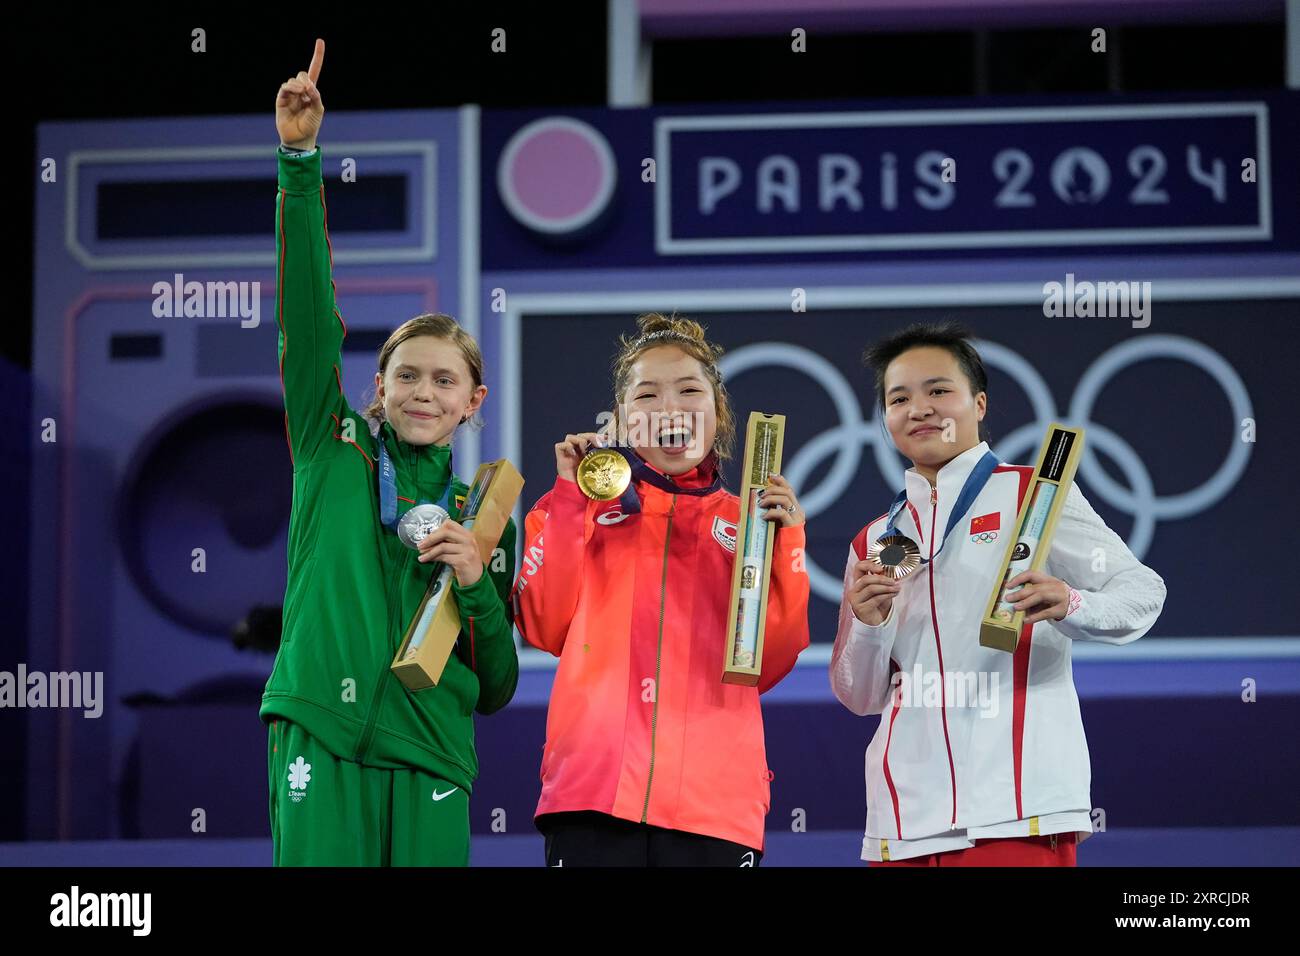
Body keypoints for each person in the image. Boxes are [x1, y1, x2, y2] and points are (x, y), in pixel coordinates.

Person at [261, 39, 518, 866]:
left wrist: (475, 581)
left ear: (473, 402)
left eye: (445, 381)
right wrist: (300, 162)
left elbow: (501, 686)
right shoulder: (328, 446)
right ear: (378, 384)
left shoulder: (487, 510)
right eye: (406, 374)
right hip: (320, 733)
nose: (422, 392)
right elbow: (306, 315)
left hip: (431, 754)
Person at [831, 321, 1166, 866]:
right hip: (903, 820)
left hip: (1016, 808)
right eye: (899, 398)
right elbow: (859, 695)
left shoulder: (1035, 494)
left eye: (939, 390)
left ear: (979, 403)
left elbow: (1142, 590)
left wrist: (1072, 604)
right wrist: (868, 626)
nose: (919, 408)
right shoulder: (880, 539)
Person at [512, 313, 810, 866]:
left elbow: (767, 662)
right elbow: (543, 626)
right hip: (592, 794)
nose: (669, 407)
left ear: (717, 411)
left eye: (689, 389)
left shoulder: (750, 523)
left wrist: (788, 542)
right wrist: (570, 499)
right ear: (623, 420)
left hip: (714, 804)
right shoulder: (573, 508)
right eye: (646, 395)